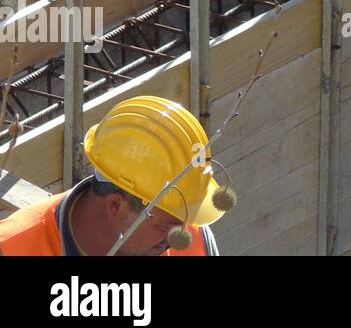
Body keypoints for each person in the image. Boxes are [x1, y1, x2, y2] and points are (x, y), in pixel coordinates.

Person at [0, 95, 228, 256]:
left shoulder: (195, 239)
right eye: (163, 227)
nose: (178, 241)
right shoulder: (13, 248)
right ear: (116, 206)